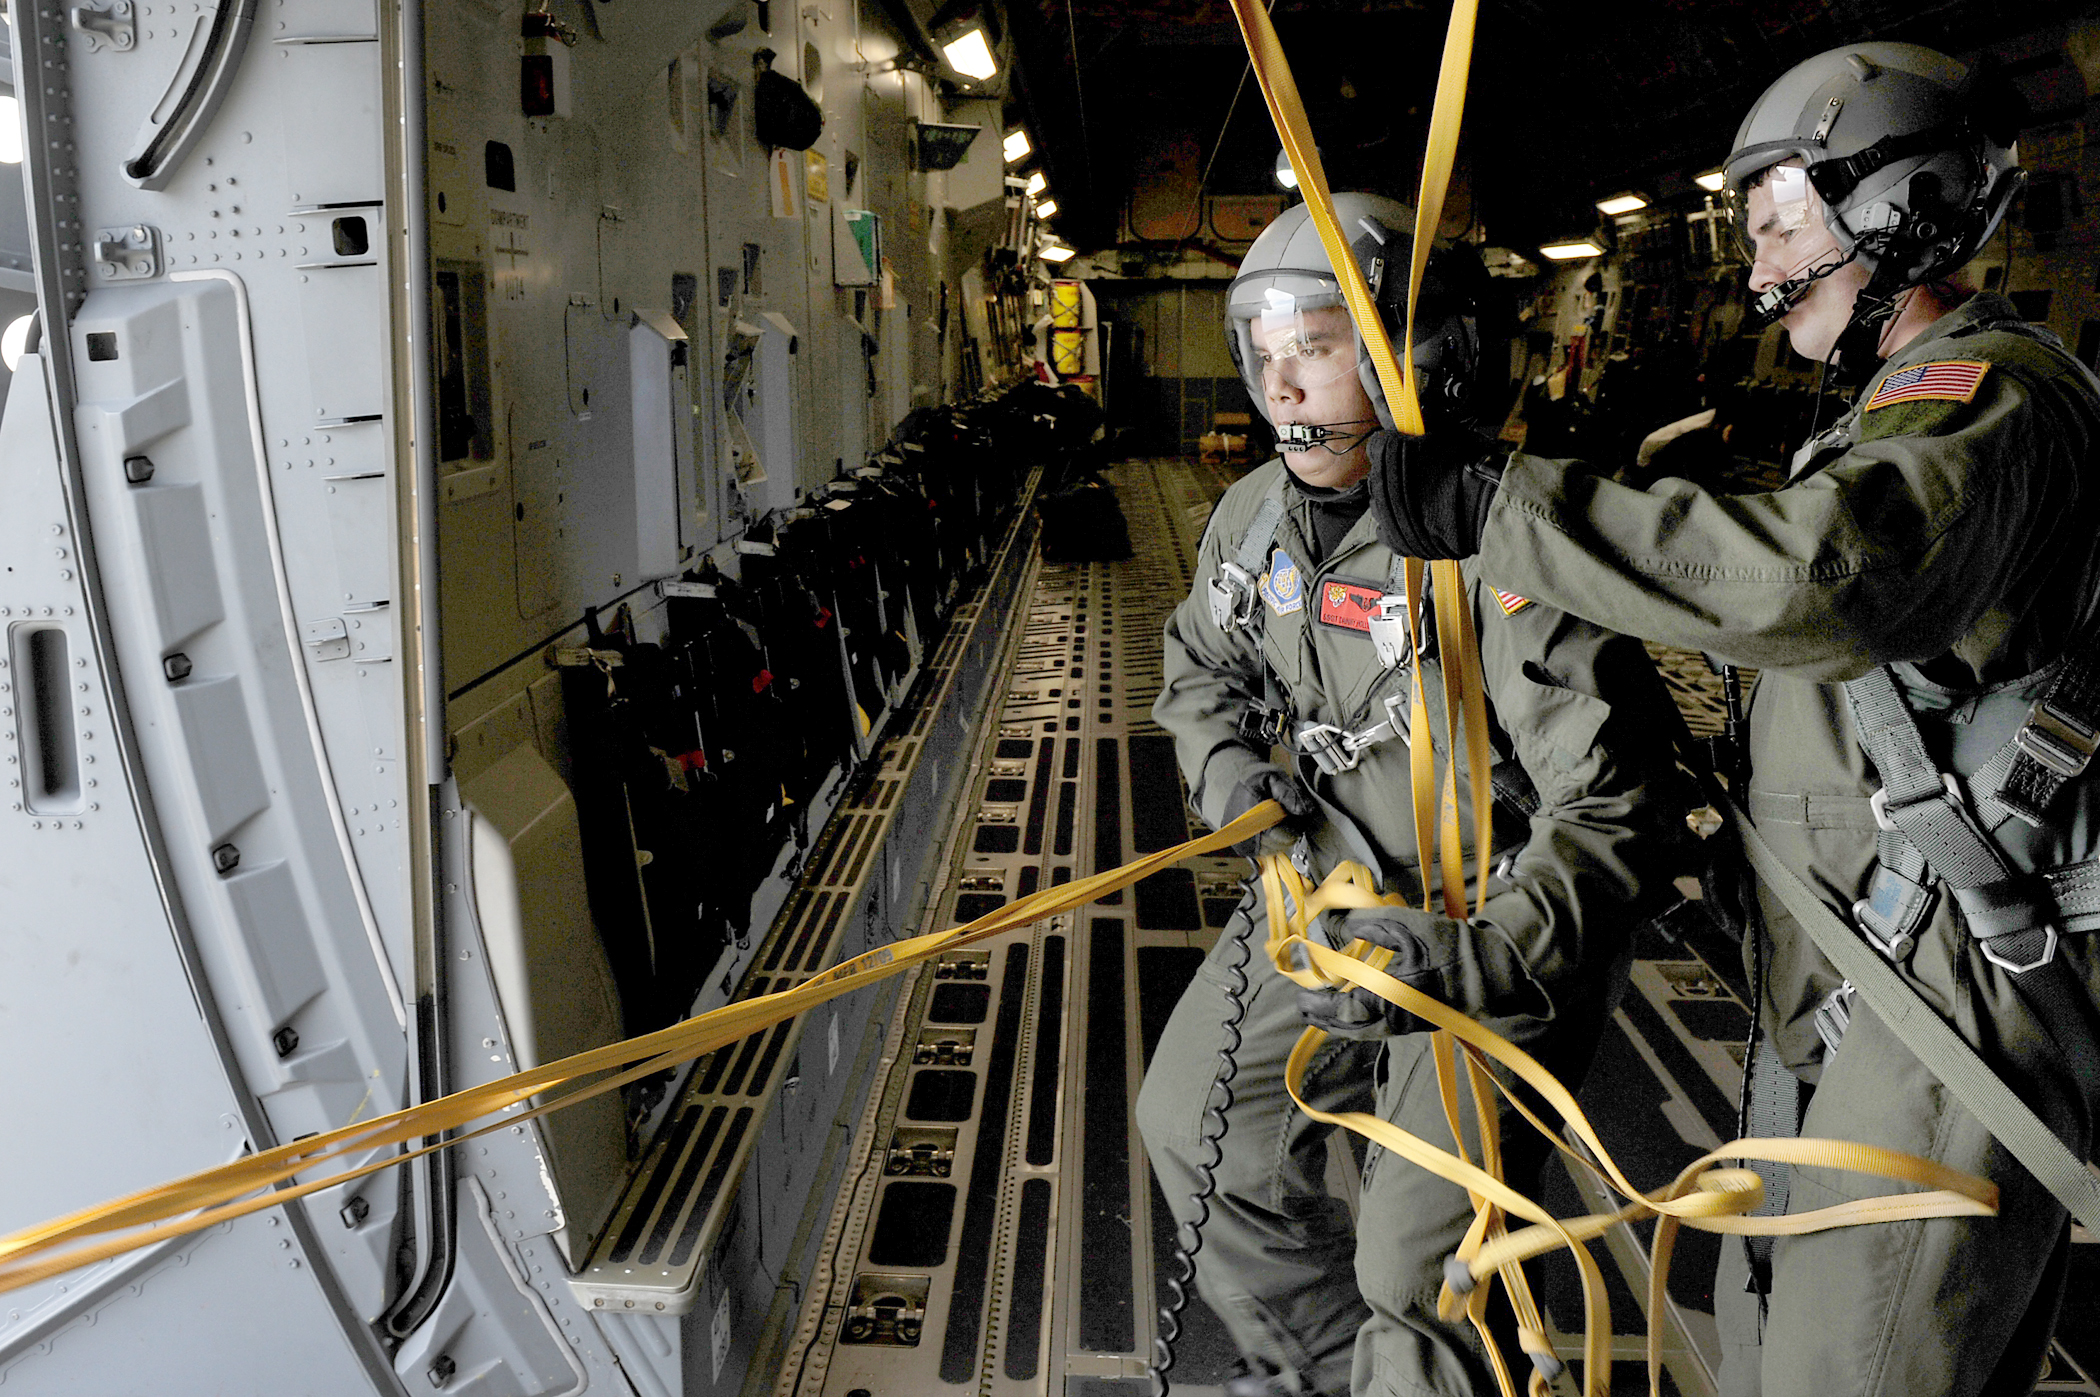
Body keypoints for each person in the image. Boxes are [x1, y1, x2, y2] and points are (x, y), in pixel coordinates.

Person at [1363, 41, 2100, 1397]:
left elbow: (1823, 576)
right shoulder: (1899, 416)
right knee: (1766, 1320)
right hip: (1849, 971)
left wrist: (1506, 509)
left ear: (1895, 204)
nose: (1759, 274)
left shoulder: (1991, 403)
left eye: (1776, 225)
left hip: (1946, 993)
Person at [1135, 192, 1689, 1397]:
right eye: (1268, 354)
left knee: (1425, 1265)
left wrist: (1472, 958)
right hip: (1326, 895)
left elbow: (1615, 810)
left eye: (1319, 348)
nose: (1284, 387)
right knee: (1194, 1126)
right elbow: (1201, 667)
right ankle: (1332, 1374)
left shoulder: (1503, 543)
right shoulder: (1255, 518)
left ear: (1415, 357)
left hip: (1486, 930)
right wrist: (1238, 786)